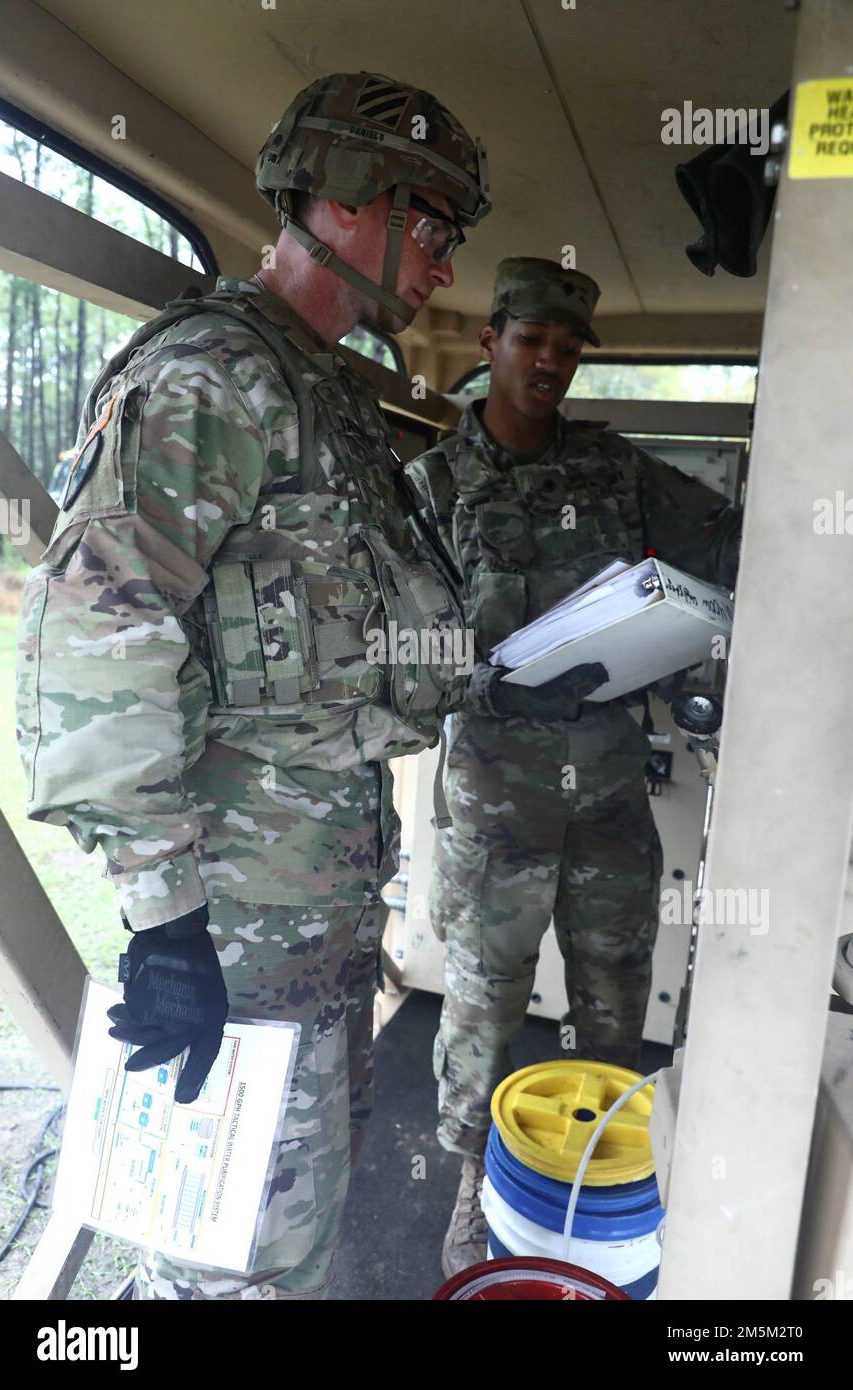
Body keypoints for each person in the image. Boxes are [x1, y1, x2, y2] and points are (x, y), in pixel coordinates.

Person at [15, 70, 490, 1300]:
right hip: (228, 934)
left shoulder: (325, 388)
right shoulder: (215, 377)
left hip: (321, 923)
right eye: (430, 226)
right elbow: (97, 635)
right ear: (341, 202)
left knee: (300, 1232)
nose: (442, 265)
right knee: (232, 1262)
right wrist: (163, 920)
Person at [406, 257, 741, 1275]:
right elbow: (391, 637)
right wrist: (477, 680)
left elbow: (727, 542)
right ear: (488, 344)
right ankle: (469, 1188)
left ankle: (599, 1173)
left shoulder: (615, 470)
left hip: (602, 782)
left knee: (613, 981)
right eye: (529, 339)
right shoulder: (429, 487)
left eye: (565, 347)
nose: (548, 360)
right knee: (480, 996)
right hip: (493, 791)